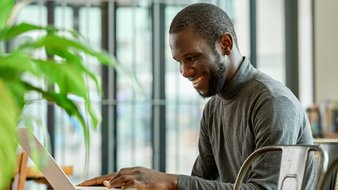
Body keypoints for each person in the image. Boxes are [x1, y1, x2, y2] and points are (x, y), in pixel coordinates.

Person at [79, 3, 315, 190]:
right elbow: (199, 182)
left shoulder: (272, 102)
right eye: (179, 62)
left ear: (225, 44)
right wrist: (140, 184)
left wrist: (171, 181)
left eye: (191, 58)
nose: (184, 72)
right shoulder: (213, 109)